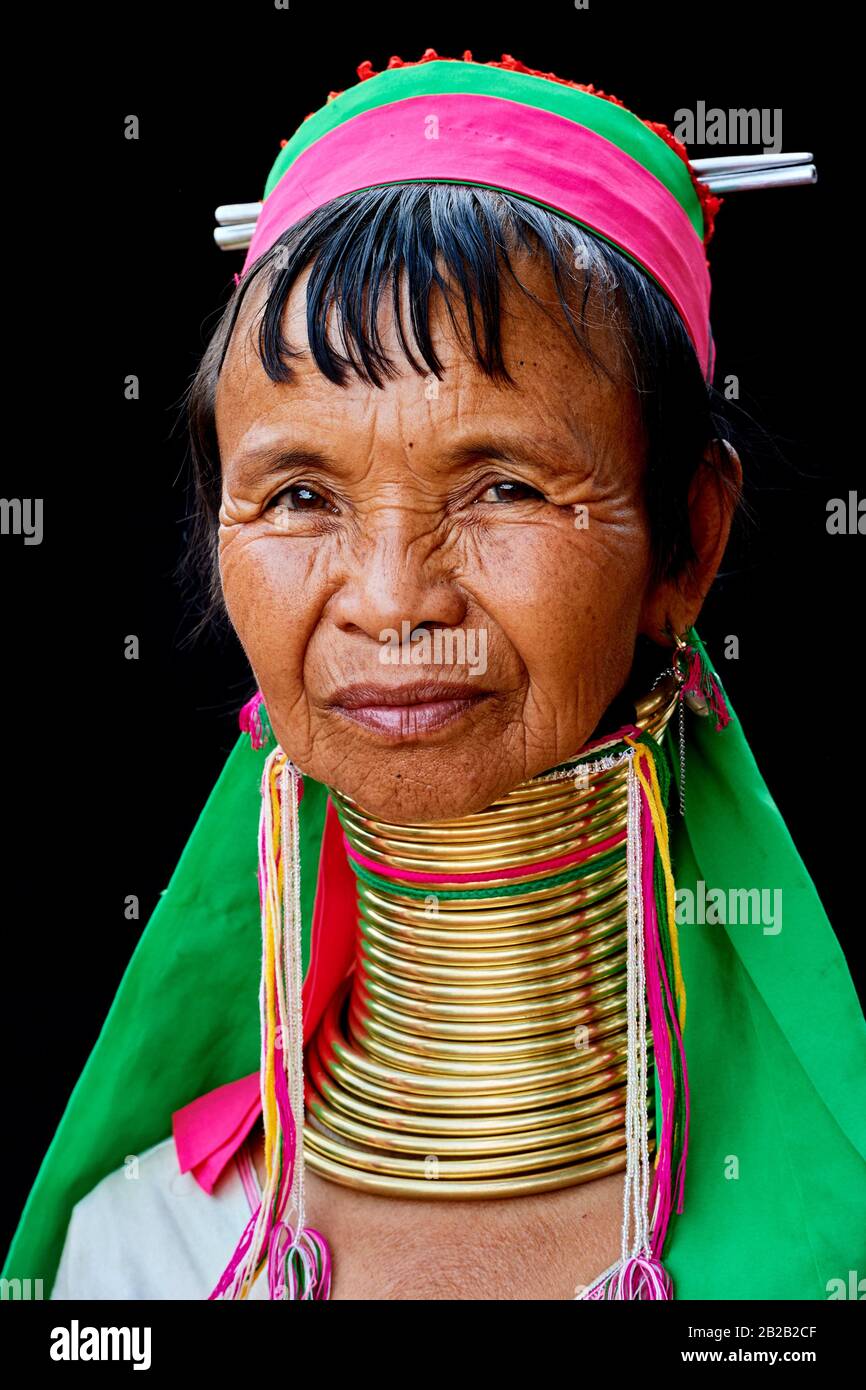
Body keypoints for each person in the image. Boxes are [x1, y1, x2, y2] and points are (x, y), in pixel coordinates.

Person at [6, 50, 865, 1302]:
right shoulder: (141, 1256)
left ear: (686, 543)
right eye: (299, 495)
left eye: (503, 486)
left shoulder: (833, 1240)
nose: (393, 598)